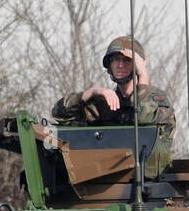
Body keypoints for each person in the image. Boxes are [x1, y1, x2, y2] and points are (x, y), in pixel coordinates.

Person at [52, 36, 176, 177]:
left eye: (127, 60)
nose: (120, 65)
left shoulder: (157, 100)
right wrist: (91, 92)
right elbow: (61, 114)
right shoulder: (105, 102)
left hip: (150, 185)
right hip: (106, 180)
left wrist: (143, 75)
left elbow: (143, 118)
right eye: (116, 60)